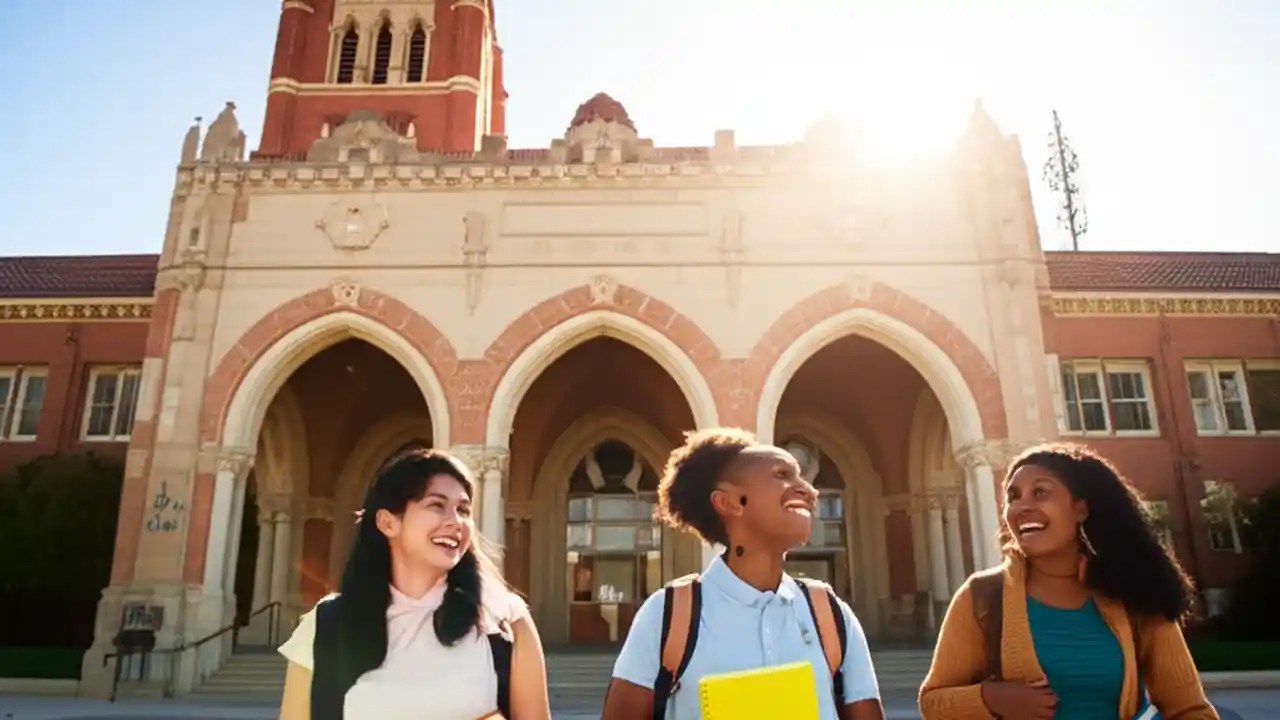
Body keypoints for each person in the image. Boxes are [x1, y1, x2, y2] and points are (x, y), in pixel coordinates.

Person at [919, 442, 1219, 720]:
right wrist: (991, 699)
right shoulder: (982, 596)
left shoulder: (1132, 592)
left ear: (1080, 509)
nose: (1022, 507)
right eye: (1013, 497)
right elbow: (933, 702)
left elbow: (1190, 709)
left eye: (1040, 493)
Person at [601, 428, 885, 720]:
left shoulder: (832, 615)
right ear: (729, 502)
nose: (809, 491)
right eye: (782, 475)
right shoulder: (667, 616)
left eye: (803, 478)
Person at [277, 448, 551, 720]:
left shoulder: (505, 621)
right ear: (388, 523)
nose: (456, 522)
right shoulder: (325, 625)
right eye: (436, 505)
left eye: (463, 510)